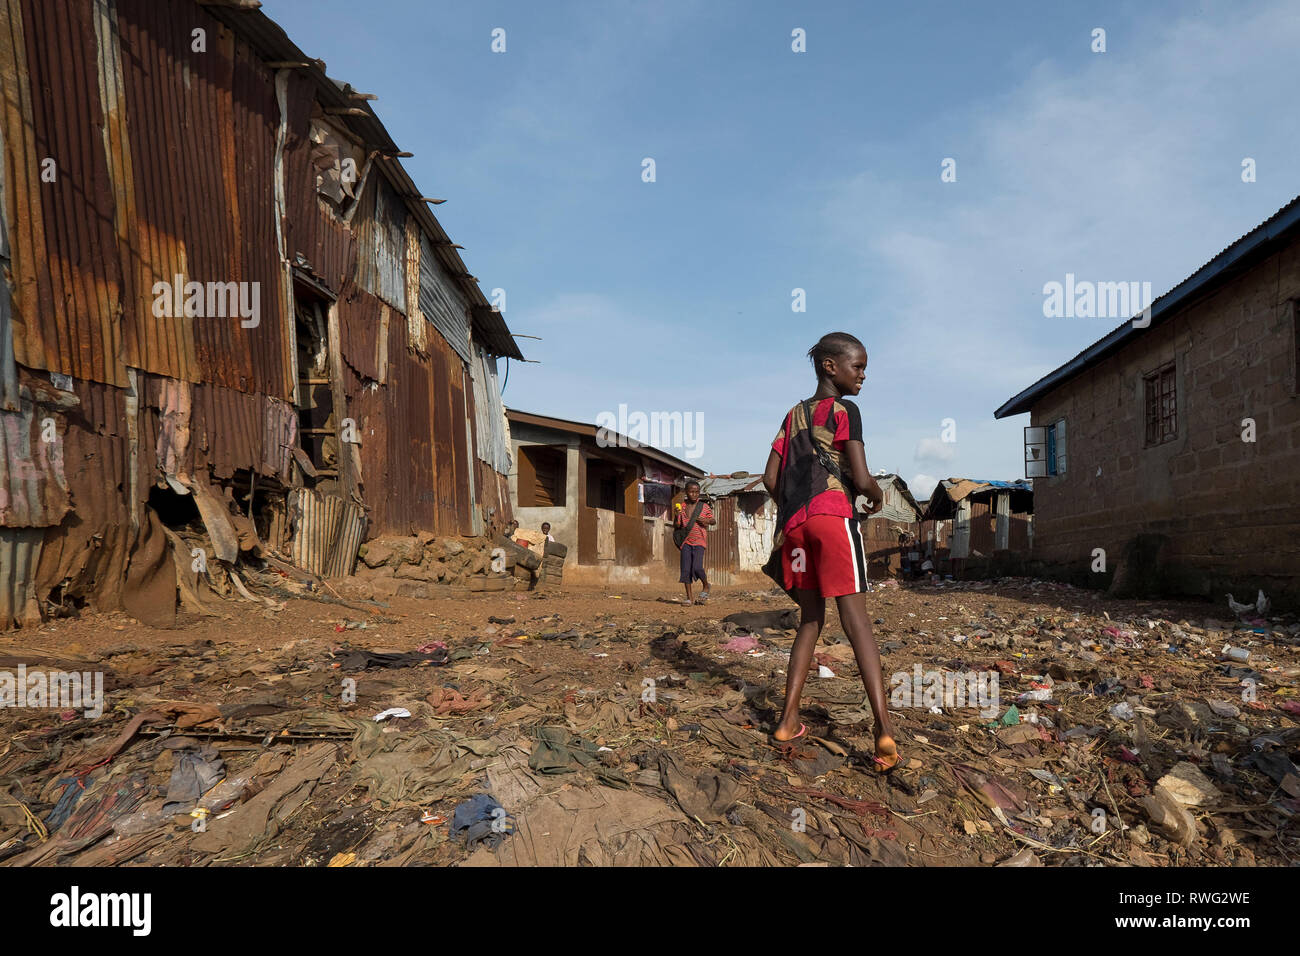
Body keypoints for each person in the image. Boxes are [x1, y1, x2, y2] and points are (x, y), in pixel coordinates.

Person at [761, 331, 900, 773]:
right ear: (830, 367)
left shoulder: (791, 416)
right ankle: (883, 729)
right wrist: (877, 495)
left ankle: (787, 721)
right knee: (856, 620)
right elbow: (860, 479)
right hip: (833, 517)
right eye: (857, 367)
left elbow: (769, 480)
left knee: (810, 620)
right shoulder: (845, 410)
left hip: (796, 528)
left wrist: (798, 500)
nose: (863, 376)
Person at [670, 480, 715, 605]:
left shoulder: (703, 507)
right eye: (691, 492)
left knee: (697, 567)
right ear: (686, 492)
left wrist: (705, 520)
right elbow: (677, 525)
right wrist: (676, 516)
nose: (694, 494)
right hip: (686, 542)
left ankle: (706, 585)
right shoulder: (682, 507)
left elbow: (713, 521)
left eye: (696, 492)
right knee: (685, 570)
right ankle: (689, 598)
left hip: (699, 541)